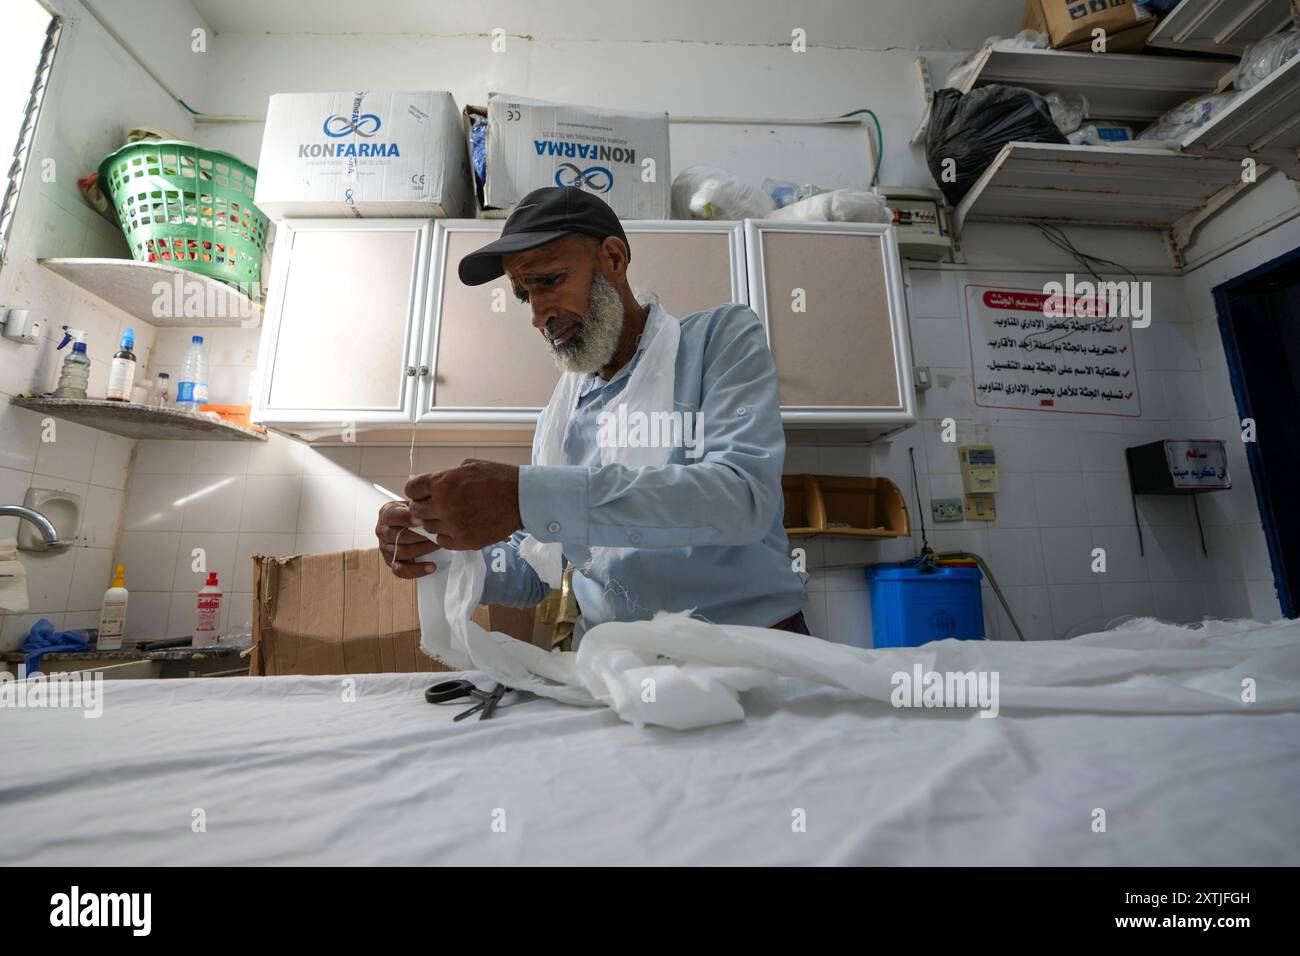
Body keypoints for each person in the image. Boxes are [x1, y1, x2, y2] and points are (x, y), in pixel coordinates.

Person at [375, 185, 809, 642]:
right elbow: (535, 568)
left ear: (614, 259)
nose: (538, 315)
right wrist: (442, 544)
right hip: (617, 670)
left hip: (754, 654)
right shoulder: (560, 419)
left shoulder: (719, 341)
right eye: (524, 294)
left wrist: (527, 498)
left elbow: (741, 499)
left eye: (548, 280)